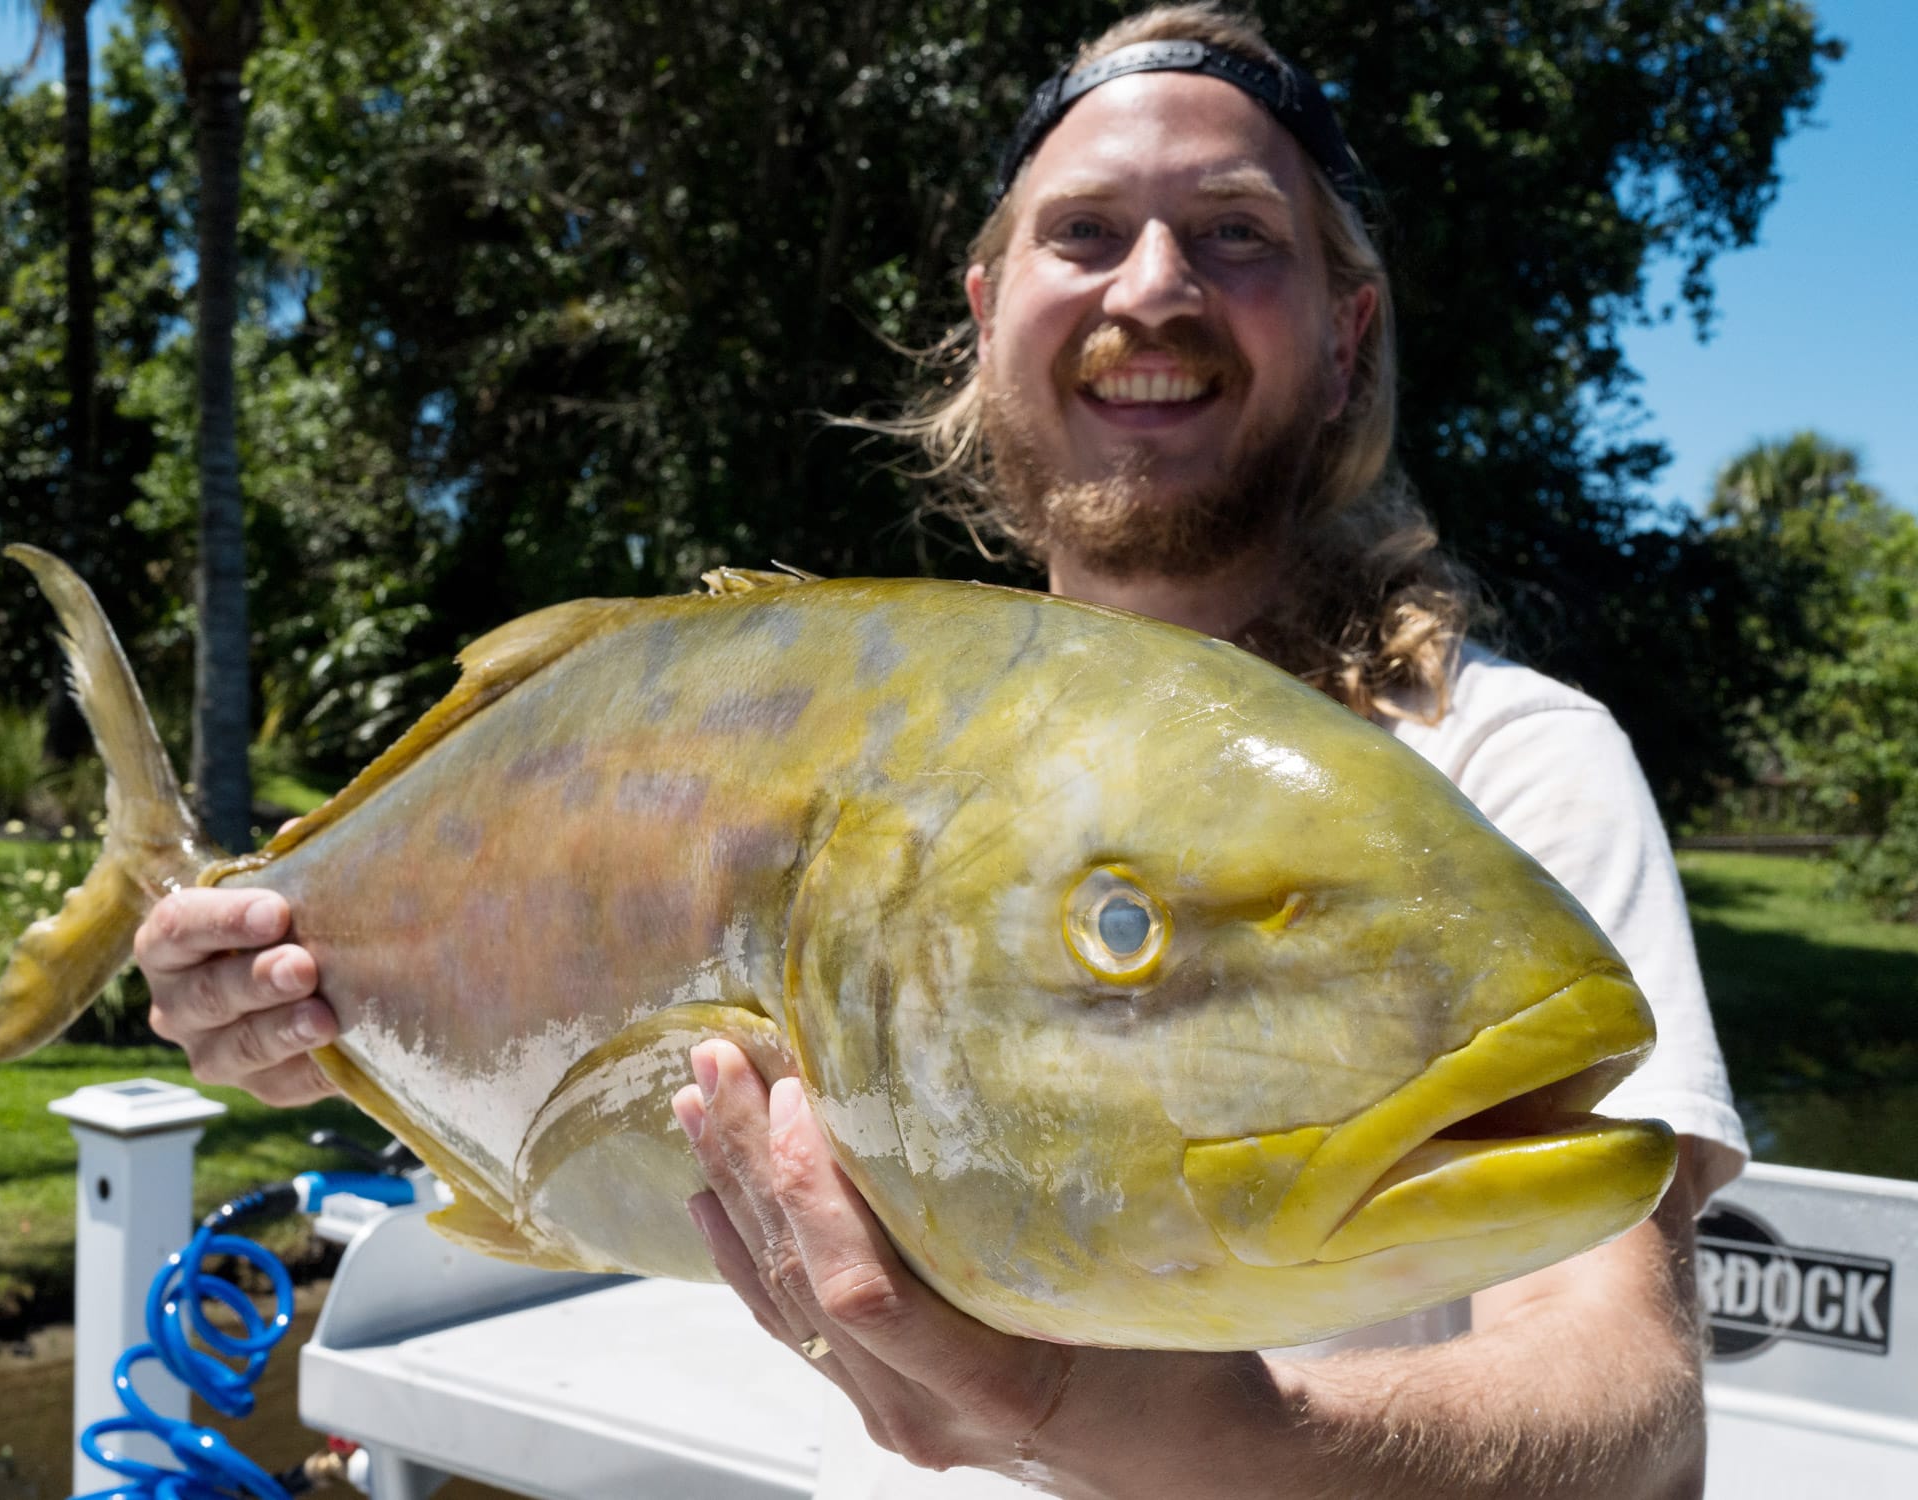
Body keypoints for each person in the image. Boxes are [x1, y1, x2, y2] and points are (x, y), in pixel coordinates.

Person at [135, 6, 1744, 1496]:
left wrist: (1154, 1429)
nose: (1153, 287)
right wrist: (276, 995)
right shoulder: (822, 726)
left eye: (1238, 235)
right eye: (1085, 233)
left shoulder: (1516, 765)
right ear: (988, 319)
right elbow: (509, 1057)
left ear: (1346, 330)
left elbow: (1636, 1404)